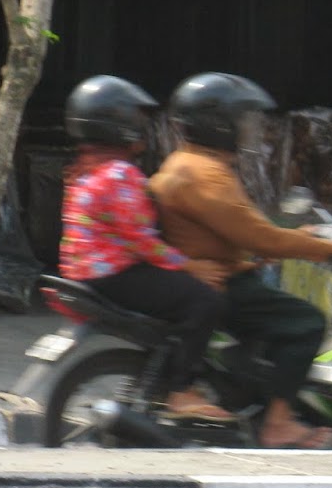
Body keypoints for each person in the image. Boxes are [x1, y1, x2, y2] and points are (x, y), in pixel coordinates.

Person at [148, 72, 332, 449]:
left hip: (217, 271)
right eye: (242, 121)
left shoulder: (185, 162)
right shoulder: (205, 174)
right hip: (224, 283)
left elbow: (237, 230)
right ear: (218, 125)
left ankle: (255, 397)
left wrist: (281, 242)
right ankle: (279, 422)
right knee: (305, 322)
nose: (250, 131)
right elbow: (258, 234)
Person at [59, 74, 230, 421]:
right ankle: (182, 391)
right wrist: (188, 265)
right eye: (134, 118)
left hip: (86, 273)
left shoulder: (85, 171)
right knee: (204, 299)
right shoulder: (120, 174)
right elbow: (141, 240)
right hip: (115, 274)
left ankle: (163, 376)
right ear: (116, 125)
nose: (141, 126)